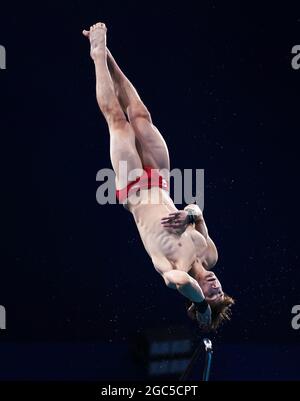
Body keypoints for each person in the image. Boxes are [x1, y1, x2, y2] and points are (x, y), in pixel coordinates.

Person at [83, 22, 234, 331]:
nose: (216, 286)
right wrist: (189, 216)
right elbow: (195, 208)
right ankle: (109, 55)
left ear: (197, 298)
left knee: (118, 122)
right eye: (220, 291)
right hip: (160, 179)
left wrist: (203, 306)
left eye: (211, 294)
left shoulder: (174, 272)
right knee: (140, 115)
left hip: (133, 187)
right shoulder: (210, 253)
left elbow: (182, 283)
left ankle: (97, 54)